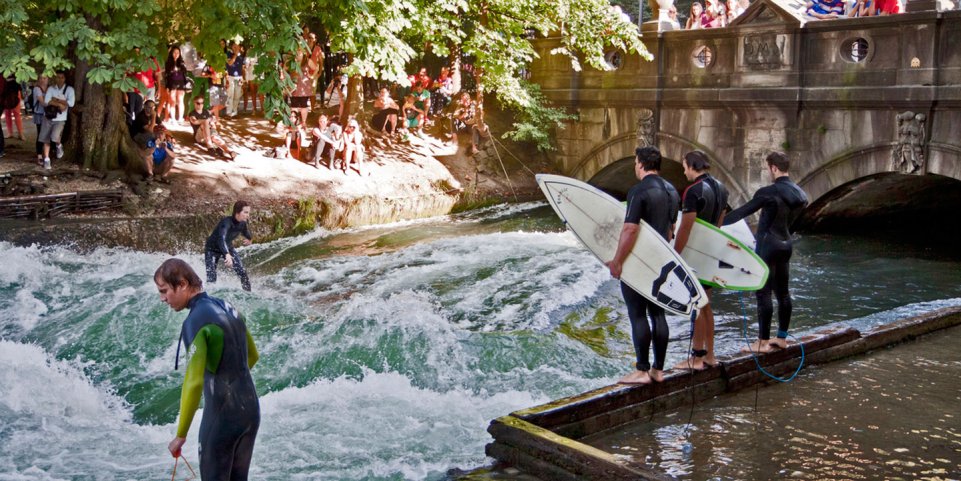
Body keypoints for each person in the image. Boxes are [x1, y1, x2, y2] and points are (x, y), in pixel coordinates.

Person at [154, 258, 259, 480]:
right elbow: (252, 356)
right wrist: (230, 379)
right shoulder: (229, 308)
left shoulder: (196, 321)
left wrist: (180, 436)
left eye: (164, 291)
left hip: (222, 419)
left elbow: (193, 382)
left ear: (182, 284)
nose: (163, 298)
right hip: (250, 411)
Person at [606, 146, 680, 385]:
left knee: (637, 314)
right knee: (658, 314)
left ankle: (641, 370)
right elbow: (671, 231)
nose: (635, 167)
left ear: (641, 164)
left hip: (639, 260)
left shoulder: (639, 191)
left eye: (636, 162)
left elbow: (630, 228)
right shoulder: (672, 191)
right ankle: (658, 371)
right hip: (662, 260)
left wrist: (617, 261)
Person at [723, 151, 809, 353]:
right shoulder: (800, 194)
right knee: (783, 293)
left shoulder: (767, 192)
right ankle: (781, 338)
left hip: (767, 246)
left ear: (773, 168)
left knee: (763, 293)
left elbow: (741, 213)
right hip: (786, 244)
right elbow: (795, 221)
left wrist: (717, 223)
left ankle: (761, 342)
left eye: (768, 168)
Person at [671, 151, 729, 371]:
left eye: (684, 166)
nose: (684, 171)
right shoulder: (723, 188)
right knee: (706, 304)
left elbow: (686, 226)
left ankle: (696, 358)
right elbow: (719, 223)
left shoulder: (693, 191)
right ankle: (710, 355)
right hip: (712, 252)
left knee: (696, 303)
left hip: (696, 255)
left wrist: (675, 254)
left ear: (691, 165)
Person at [205, 201, 254, 291]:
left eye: (248, 213)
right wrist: (227, 254)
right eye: (245, 212)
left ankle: (248, 295)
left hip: (227, 247)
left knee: (242, 273)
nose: (248, 215)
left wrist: (250, 239)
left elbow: (246, 233)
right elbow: (221, 238)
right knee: (211, 277)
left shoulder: (243, 223)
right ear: (237, 212)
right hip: (212, 249)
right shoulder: (226, 223)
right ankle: (210, 297)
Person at [40, 71, 75, 170]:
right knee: (45, 138)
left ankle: (59, 146)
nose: (59, 79)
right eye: (58, 77)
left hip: (60, 118)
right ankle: (47, 159)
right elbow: (47, 101)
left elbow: (71, 103)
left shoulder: (69, 90)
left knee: (55, 137)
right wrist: (61, 104)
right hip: (48, 116)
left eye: (62, 77)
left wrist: (55, 100)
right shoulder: (51, 88)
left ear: (65, 78)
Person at [164, 46, 189, 123]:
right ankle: (173, 119)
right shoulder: (168, 62)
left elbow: (185, 73)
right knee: (172, 101)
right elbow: (166, 76)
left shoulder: (182, 62)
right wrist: (167, 86)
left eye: (178, 53)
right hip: (172, 84)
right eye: (174, 52)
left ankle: (180, 118)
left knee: (181, 101)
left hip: (181, 83)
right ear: (171, 53)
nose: (176, 54)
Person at [31, 75, 50, 164]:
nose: (43, 80)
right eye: (41, 78)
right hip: (39, 114)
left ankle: (47, 154)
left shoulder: (50, 88)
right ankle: (39, 155)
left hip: (48, 114)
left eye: (45, 78)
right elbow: (42, 102)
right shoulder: (37, 89)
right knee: (41, 134)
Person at [225, 42, 245, 117]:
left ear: (239, 47)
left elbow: (242, 68)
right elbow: (230, 63)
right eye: (234, 47)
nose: (235, 48)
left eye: (237, 46)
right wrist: (235, 55)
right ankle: (229, 113)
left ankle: (234, 112)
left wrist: (243, 78)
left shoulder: (241, 57)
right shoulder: (228, 54)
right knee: (230, 95)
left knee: (237, 96)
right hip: (230, 77)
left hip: (239, 78)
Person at [2, 75, 25, 141]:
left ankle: (21, 133)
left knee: (17, 114)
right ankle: (10, 133)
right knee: (7, 114)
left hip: (15, 93)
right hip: (6, 94)